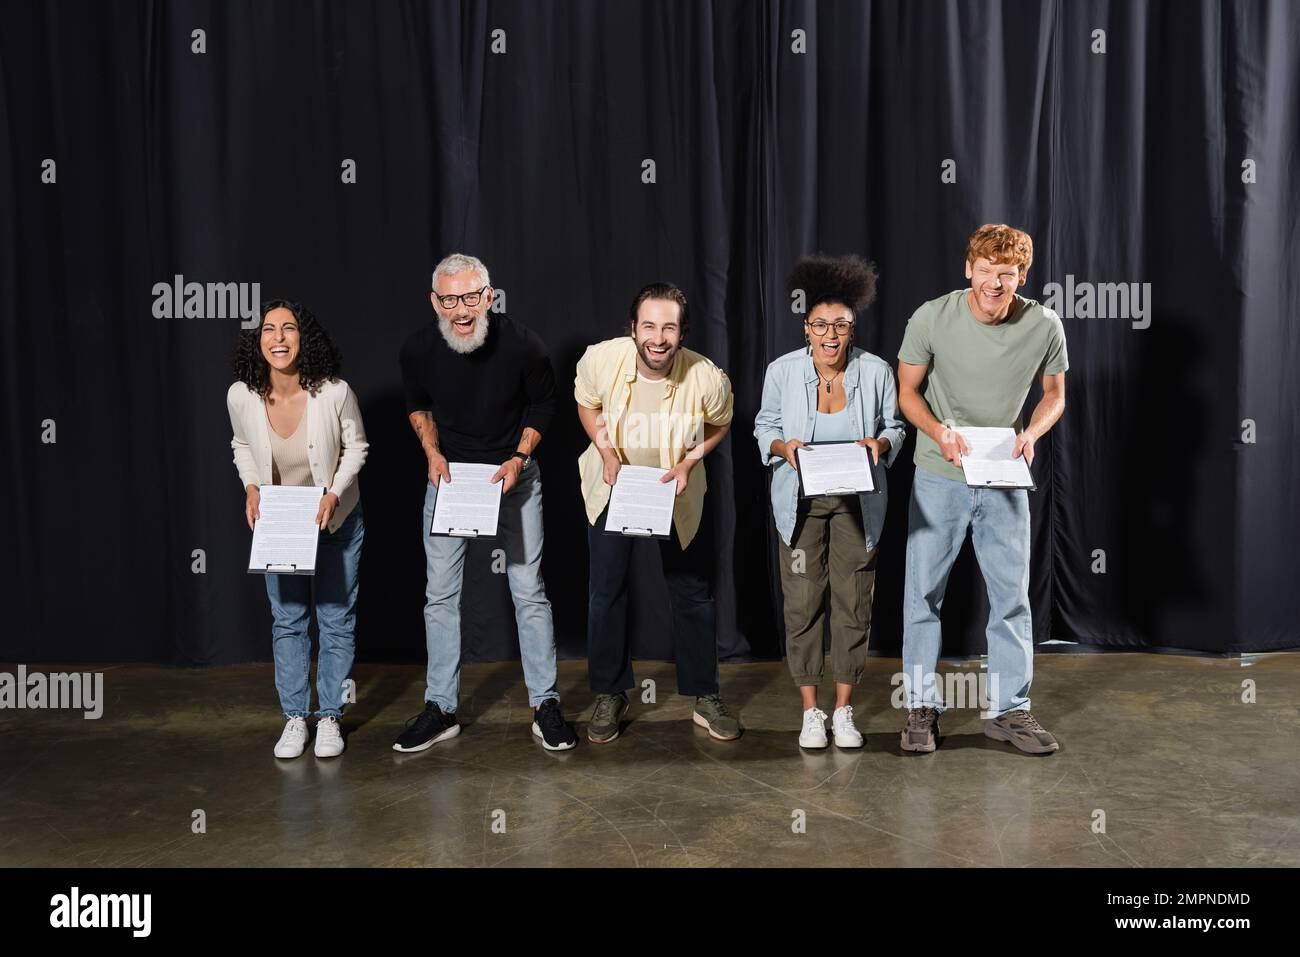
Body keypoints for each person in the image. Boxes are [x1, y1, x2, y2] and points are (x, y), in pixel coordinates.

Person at [896, 224, 1068, 755]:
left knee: (1012, 598)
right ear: (969, 268)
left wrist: (1031, 433)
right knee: (923, 595)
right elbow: (907, 392)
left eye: (1007, 274)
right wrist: (937, 432)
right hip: (939, 473)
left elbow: (1055, 394)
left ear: (1022, 276)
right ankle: (921, 706)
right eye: (987, 271)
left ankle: (1008, 710)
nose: (995, 283)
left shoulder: (1043, 324)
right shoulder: (931, 317)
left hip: (1002, 475)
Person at [394, 252, 576, 752]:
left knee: (529, 590)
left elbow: (544, 403)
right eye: (450, 300)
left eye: (471, 297)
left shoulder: (525, 345)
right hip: (451, 478)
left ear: (489, 296)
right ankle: (441, 707)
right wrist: (431, 454)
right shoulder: (417, 349)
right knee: (439, 595)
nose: (461, 310)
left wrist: (519, 457)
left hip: (511, 475)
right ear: (435, 302)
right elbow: (418, 404)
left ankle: (545, 704)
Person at [574, 281, 739, 743]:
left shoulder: (707, 377)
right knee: (606, 592)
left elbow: (721, 422)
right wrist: (606, 451)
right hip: (613, 486)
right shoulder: (600, 359)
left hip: (676, 490)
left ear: (682, 332)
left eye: (669, 327)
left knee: (692, 592)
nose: (658, 338)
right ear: (633, 328)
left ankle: (704, 694)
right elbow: (587, 403)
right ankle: (610, 693)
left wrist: (689, 462)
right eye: (648, 326)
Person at [754, 255, 906, 749]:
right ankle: (810, 711)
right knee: (802, 605)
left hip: (857, 504)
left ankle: (842, 710)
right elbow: (764, 426)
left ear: (852, 328)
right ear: (806, 329)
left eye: (841, 324)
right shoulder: (781, 371)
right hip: (800, 504)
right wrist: (784, 448)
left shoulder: (877, 371)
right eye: (820, 324)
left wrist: (880, 444)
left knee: (853, 604)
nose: (831, 335)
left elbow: (896, 427)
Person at [227, 299, 368, 759]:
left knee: (335, 619)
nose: (279, 338)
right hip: (282, 522)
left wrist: (334, 493)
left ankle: (330, 717)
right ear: (259, 340)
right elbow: (241, 444)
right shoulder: (240, 395)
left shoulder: (334, 392)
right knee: (288, 621)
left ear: (304, 337)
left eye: (288, 328)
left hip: (334, 520)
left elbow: (357, 448)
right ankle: (294, 717)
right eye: (269, 329)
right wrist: (251, 487)